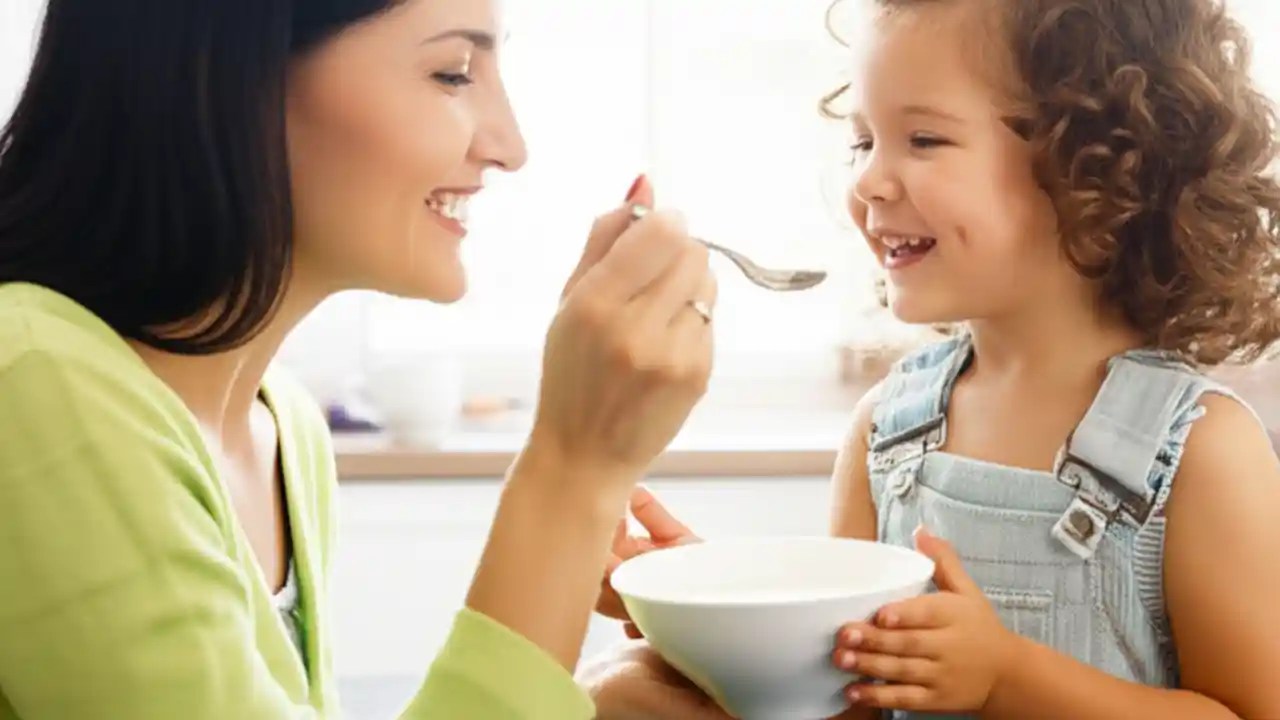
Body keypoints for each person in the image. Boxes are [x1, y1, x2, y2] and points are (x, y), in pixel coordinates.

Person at [0, 0, 718, 718]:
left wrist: (589, 701)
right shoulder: (29, 382)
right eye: (452, 73)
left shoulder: (284, 430)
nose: (510, 144)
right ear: (236, 78)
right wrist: (575, 465)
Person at [587, 0, 1280, 718]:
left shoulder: (1200, 452)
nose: (867, 183)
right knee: (619, 690)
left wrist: (1006, 676)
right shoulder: (888, 430)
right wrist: (705, 604)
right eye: (863, 142)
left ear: (1101, 167)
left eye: (922, 139)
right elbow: (849, 692)